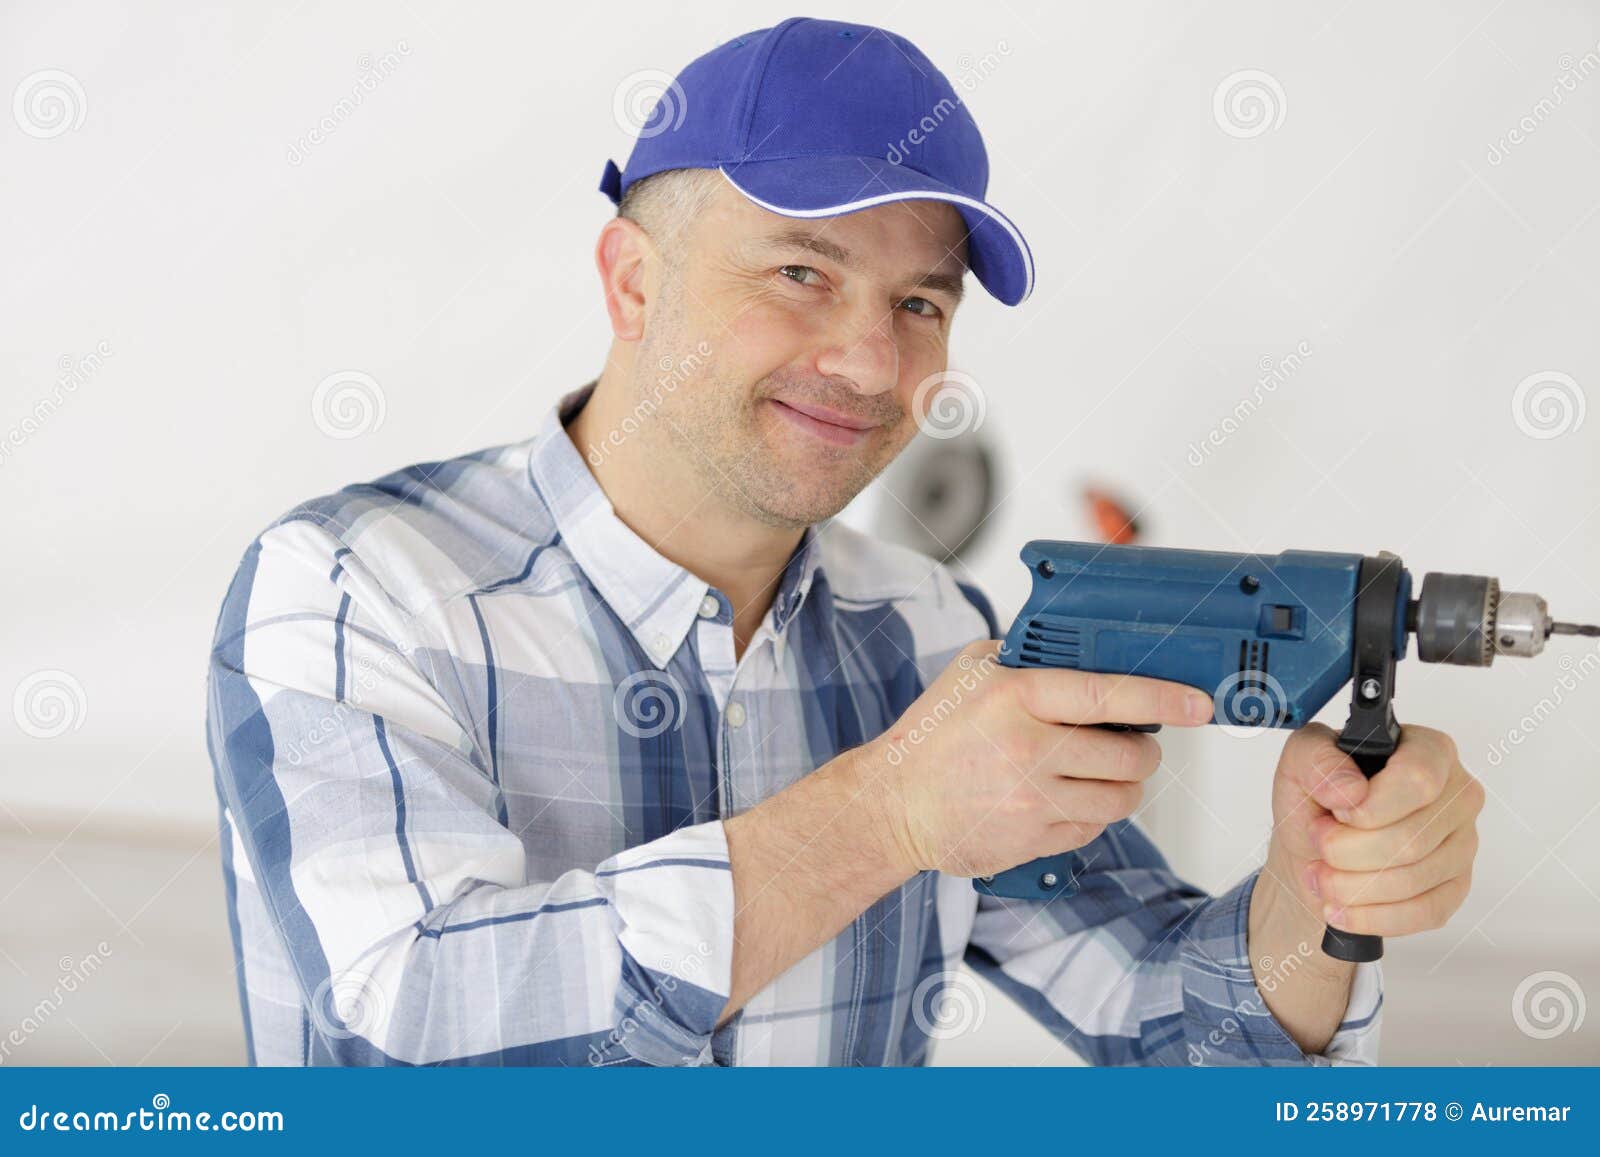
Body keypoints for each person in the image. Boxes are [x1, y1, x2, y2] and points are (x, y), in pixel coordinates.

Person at [206, 16, 1482, 1066]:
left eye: (918, 302)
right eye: (801, 274)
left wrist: (1312, 893)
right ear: (632, 281)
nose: (872, 361)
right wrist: (883, 813)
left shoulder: (936, 638)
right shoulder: (357, 589)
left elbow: (1175, 1030)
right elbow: (407, 1037)